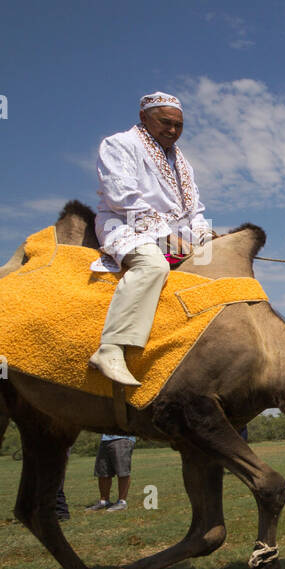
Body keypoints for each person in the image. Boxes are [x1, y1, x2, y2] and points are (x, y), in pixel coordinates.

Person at [89, 92, 215, 387]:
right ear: (144, 118)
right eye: (165, 122)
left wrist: (207, 237)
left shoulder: (184, 163)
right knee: (152, 266)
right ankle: (111, 348)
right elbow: (123, 198)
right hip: (125, 225)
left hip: (179, 236)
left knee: (216, 268)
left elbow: (194, 210)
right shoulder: (119, 144)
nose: (172, 130)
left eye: (178, 125)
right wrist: (166, 236)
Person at [86, 434, 136, 512]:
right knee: (103, 472)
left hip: (122, 438)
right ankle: (104, 501)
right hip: (105, 439)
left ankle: (122, 502)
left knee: (123, 471)